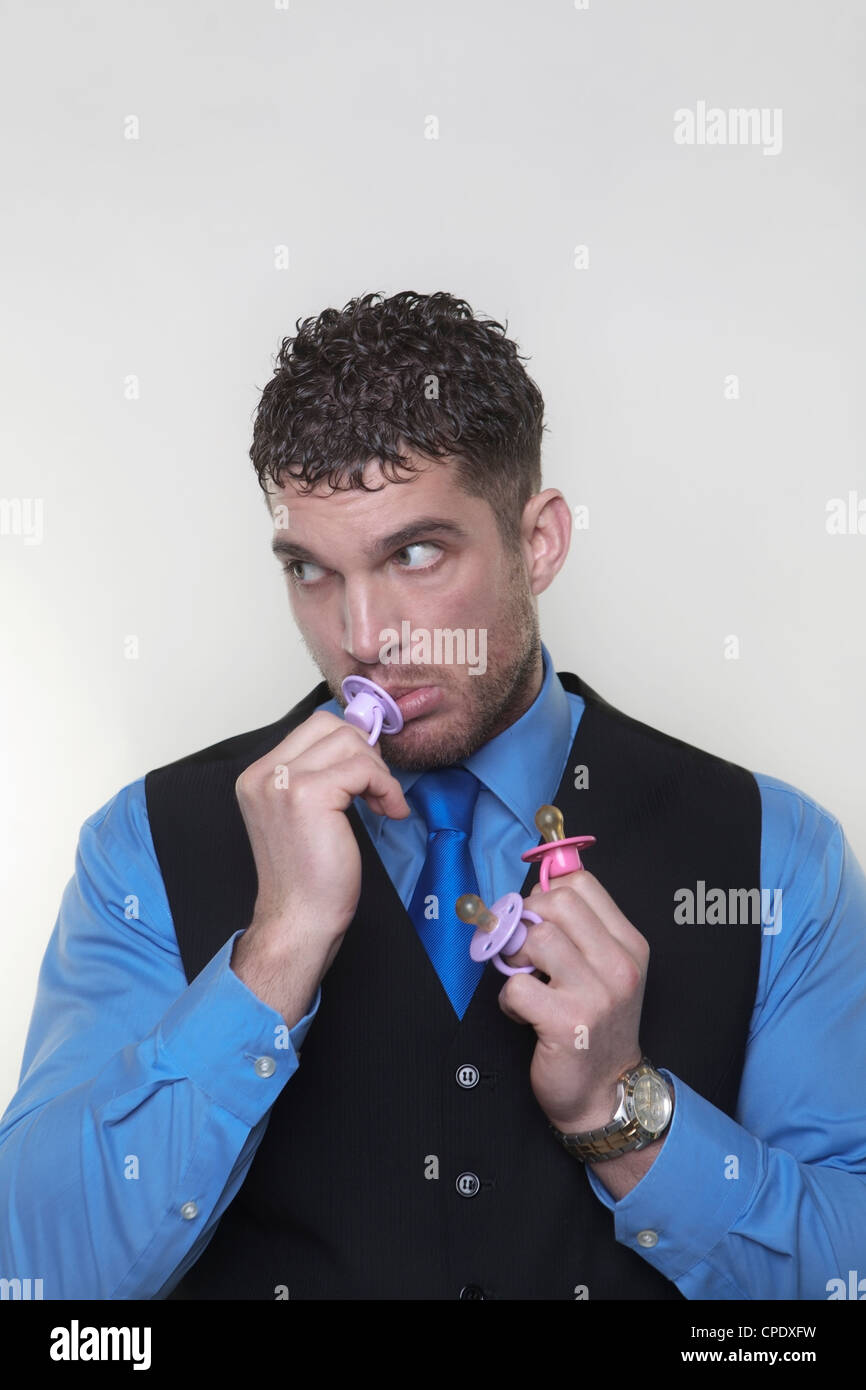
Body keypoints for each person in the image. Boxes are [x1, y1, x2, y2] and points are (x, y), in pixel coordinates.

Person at [2, 290, 865, 1302]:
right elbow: (34, 1277)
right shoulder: (142, 847)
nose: (362, 634)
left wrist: (622, 1116)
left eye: (414, 553)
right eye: (310, 570)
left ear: (537, 542)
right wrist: (270, 960)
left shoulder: (772, 850)